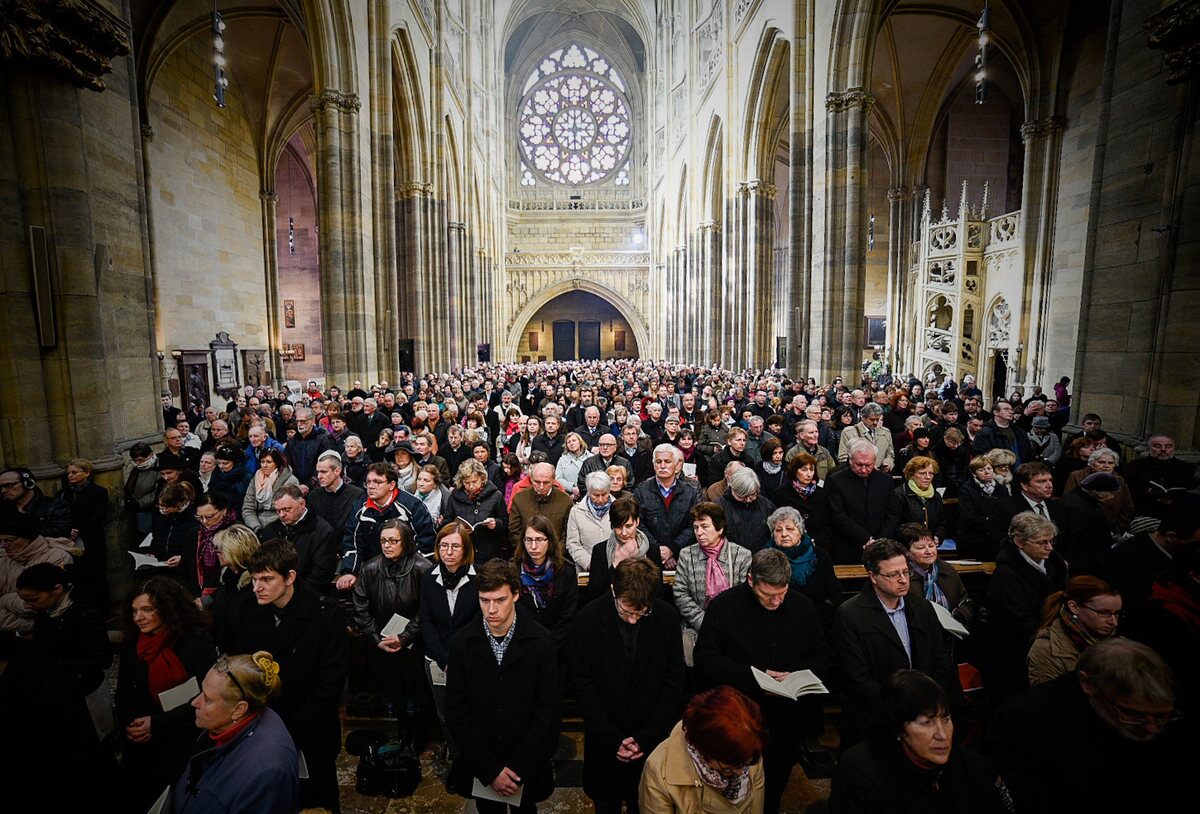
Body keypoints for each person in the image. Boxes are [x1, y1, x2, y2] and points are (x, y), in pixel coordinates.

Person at [694, 549, 832, 813]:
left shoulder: (802, 606)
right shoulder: (725, 607)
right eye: (768, 595)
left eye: (782, 593)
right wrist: (752, 675)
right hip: (739, 714)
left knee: (775, 785)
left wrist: (793, 674)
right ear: (751, 580)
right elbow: (706, 658)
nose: (776, 601)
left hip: (786, 718)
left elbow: (821, 656)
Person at [984, 638, 1188, 813]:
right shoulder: (1024, 722)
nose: (1151, 727)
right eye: (1132, 714)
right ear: (1087, 685)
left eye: (1161, 716)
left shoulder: (1164, 721)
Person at [231, 541, 348, 812]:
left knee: (317, 800)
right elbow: (242, 665)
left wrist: (290, 729)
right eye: (254, 579)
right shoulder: (249, 609)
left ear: (290, 577)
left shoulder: (324, 614)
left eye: (267, 579)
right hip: (262, 724)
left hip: (309, 728)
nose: (257, 587)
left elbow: (330, 682)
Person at [570, 557, 686, 814]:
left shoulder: (666, 618)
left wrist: (647, 736)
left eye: (641, 612)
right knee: (605, 805)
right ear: (614, 589)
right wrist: (612, 738)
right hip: (604, 739)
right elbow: (582, 684)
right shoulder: (587, 620)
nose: (633, 619)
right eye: (626, 610)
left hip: (650, 737)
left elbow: (674, 681)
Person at [444, 559, 561, 811]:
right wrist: (491, 770)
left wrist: (518, 766)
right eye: (484, 600)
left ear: (516, 595)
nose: (491, 610)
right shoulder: (461, 643)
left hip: (527, 763)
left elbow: (547, 711)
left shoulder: (542, 642)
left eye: (500, 600)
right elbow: (456, 711)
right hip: (482, 762)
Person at [0, 563, 114, 806]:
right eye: (25, 601)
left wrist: (57, 666)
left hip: (87, 692)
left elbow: (102, 658)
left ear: (57, 590)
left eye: (34, 599)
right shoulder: (46, 611)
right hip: (59, 690)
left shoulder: (84, 612)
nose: (29, 606)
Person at [833, 538, 959, 748]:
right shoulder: (850, 614)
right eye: (893, 575)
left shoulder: (922, 608)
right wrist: (898, 708)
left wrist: (928, 703)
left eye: (906, 572)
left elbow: (940, 660)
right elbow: (856, 677)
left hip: (924, 712)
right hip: (875, 719)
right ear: (873, 576)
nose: (903, 580)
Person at [830, 670, 1012, 814]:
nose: (942, 735)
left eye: (946, 719)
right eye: (926, 723)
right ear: (898, 728)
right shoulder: (861, 772)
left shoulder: (974, 767)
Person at [116, 576, 218, 811]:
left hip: (181, 739)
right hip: (142, 743)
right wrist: (131, 724)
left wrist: (157, 723)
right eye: (134, 611)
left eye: (147, 610)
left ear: (167, 608)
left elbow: (207, 695)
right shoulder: (133, 643)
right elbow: (123, 691)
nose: (138, 618)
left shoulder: (196, 642)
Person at [171, 651, 300, 813]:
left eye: (208, 699)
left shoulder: (267, 773)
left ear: (239, 709)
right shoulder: (223, 721)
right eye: (201, 692)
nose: (195, 703)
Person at [352, 518, 434, 740]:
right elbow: (360, 606)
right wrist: (376, 637)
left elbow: (428, 609)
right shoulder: (370, 568)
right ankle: (400, 735)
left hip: (415, 646)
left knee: (416, 699)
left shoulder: (423, 568)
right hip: (382, 644)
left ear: (405, 541)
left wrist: (406, 636)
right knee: (391, 697)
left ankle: (416, 738)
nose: (387, 545)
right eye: (383, 541)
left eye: (393, 541)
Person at [638, 685, 767, 813]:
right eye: (729, 768)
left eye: (744, 764)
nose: (741, 772)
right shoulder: (659, 772)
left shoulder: (746, 751)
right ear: (705, 752)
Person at [984, 511, 1069, 702]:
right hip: (1017, 650)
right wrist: (1049, 636)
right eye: (1041, 542)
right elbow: (1018, 619)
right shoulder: (1005, 574)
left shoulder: (1056, 565)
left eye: (1051, 541)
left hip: (1052, 639)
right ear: (1019, 542)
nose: (1049, 547)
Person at [419, 522, 480, 769]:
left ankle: (475, 757)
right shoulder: (428, 577)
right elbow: (426, 621)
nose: (448, 552)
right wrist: (444, 658)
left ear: (466, 549)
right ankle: (457, 757)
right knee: (445, 711)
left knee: (473, 709)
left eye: (455, 546)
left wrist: (458, 658)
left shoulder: (478, 577)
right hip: (437, 659)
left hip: (470, 658)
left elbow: (479, 622)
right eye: (443, 546)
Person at [673, 502, 752, 660]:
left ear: (720, 528)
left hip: (733, 628)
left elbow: (745, 596)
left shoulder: (742, 555)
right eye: (696, 527)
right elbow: (680, 593)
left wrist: (726, 625)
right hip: (696, 629)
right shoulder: (687, 554)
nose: (699, 532)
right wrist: (703, 622)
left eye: (704, 526)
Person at [340, 462, 436, 586]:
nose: (371, 486)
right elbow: (352, 542)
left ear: (391, 485)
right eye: (368, 482)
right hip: (374, 569)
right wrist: (349, 571)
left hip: (408, 571)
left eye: (377, 482)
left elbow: (426, 542)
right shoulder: (359, 507)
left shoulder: (412, 506)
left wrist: (411, 572)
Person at [1027, 575, 1121, 685]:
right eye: (1103, 613)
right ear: (1074, 607)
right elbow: (1047, 695)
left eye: (1117, 614)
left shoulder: (1115, 640)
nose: (1114, 622)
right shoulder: (1046, 651)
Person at [513, 514, 578, 658]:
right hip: (523, 644)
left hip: (558, 646)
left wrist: (549, 643)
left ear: (550, 541)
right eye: (529, 540)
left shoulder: (566, 571)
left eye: (539, 539)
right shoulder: (513, 570)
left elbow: (568, 615)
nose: (533, 546)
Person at [257, 485, 339, 593]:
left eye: (286, 509)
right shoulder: (270, 530)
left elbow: (321, 575)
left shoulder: (323, 532)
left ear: (302, 504)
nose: (281, 515)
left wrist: (292, 594)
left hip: (308, 595)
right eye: (277, 511)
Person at [765, 506, 838, 625]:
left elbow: (833, 592)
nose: (784, 534)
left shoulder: (819, 556)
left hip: (816, 619)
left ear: (800, 531)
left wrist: (817, 613)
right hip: (777, 620)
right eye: (778, 530)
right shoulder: (765, 558)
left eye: (790, 529)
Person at [825, 439, 894, 563]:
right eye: (859, 465)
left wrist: (880, 540)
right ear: (850, 460)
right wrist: (866, 538)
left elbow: (892, 513)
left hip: (882, 545)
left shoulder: (886, 480)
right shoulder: (836, 480)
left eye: (868, 465)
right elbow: (838, 515)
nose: (863, 469)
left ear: (875, 461)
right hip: (848, 546)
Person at [633, 443, 700, 568]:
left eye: (667, 461)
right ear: (653, 464)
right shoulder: (640, 491)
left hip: (683, 558)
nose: (662, 466)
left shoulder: (690, 493)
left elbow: (693, 525)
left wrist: (672, 549)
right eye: (658, 462)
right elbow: (638, 524)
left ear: (676, 465)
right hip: (649, 559)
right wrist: (658, 549)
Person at [899, 522, 975, 630]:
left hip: (951, 631)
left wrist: (960, 618)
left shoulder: (947, 569)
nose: (929, 551)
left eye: (931, 546)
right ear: (906, 552)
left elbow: (964, 599)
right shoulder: (901, 576)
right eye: (921, 548)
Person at [587, 495, 661, 602]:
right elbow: (594, 593)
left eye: (628, 526)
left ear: (637, 522)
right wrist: (615, 564)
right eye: (618, 527)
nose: (624, 533)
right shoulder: (600, 550)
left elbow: (658, 592)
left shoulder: (652, 550)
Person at [60, 458, 111, 610]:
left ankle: (102, 609)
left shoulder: (99, 492)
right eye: (68, 473)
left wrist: (79, 529)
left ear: (87, 473)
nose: (70, 476)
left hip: (92, 538)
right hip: (70, 539)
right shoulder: (63, 493)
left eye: (74, 472)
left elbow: (98, 515)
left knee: (96, 574)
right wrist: (68, 529)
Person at [443, 458, 508, 564]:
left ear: (482, 478)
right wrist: (457, 528)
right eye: (466, 483)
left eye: (474, 482)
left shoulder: (496, 496)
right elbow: (447, 523)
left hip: (488, 552)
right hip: (462, 552)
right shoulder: (454, 497)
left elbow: (506, 522)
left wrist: (496, 523)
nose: (471, 486)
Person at [210, 524, 260, 654]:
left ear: (236, 551)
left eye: (221, 549)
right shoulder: (228, 579)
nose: (217, 552)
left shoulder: (254, 588)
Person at [1121, 433, 1196, 518]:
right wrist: (1149, 494)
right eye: (1157, 446)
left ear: (1174, 449)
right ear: (1149, 449)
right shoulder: (1134, 467)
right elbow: (1125, 492)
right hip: (1144, 512)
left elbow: (1192, 491)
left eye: (1168, 446)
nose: (1163, 449)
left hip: (1178, 513)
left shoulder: (1185, 468)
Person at [508, 462, 573, 554]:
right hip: (525, 554)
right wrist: (529, 551)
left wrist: (555, 552)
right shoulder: (519, 498)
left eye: (546, 482)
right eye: (537, 482)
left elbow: (567, 534)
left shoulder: (565, 501)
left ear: (553, 480)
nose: (541, 487)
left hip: (556, 555)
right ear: (531, 479)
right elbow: (514, 531)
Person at [884, 455, 946, 541]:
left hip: (930, 543)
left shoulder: (936, 495)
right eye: (922, 473)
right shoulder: (900, 495)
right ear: (911, 475)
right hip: (907, 544)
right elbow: (894, 526)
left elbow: (941, 522)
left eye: (931, 473)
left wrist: (938, 536)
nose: (928, 477)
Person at [308, 449, 366, 541]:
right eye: (318, 472)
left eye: (324, 472)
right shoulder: (313, 496)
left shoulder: (357, 495)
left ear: (337, 471)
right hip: (321, 546)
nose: (319, 476)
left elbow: (358, 529)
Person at [717, 468, 777, 554]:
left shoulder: (766, 506)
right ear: (733, 489)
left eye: (752, 495)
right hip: (731, 557)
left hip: (760, 557)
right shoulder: (720, 507)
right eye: (743, 496)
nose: (748, 500)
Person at [567, 472, 616, 572]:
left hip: (616, 566)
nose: (600, 499)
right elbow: (573, 543)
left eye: (604, 494)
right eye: (596, 495)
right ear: (589, 492)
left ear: (609, 491)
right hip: (587, 570)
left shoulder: (619, 508)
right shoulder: (576, 512)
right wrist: (590, 563)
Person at [836, 403, 894, 471]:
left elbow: (890, 454)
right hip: (857, 473)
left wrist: (887, 463)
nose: (875, 422)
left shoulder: (885, 432)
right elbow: (843, 457)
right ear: (863, 417)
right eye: (872, 419)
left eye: (877, 419)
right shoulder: (849, 432)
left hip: (880, 472)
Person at [555, 431, 591, 498]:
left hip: (589, 494)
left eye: (574, 440)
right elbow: (558, 479)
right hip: (569, 495)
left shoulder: (591, 457)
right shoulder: (562, 460)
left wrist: (582, 490)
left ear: (580, 442)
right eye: (569, 442)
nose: (571, 443)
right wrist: (572, 488)